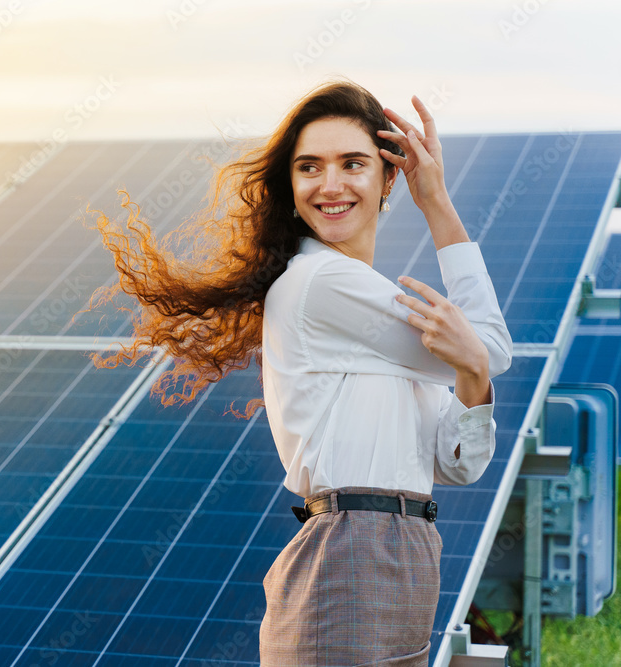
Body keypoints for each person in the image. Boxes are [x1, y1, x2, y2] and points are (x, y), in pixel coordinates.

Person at [84, 79, 512, 666]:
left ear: (389, 178)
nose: (330, 185)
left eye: (353, 164)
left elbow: (456, 461)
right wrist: (436, 201)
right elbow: (494, 346)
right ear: (290, 186)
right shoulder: (320, 284)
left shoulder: (372, 318)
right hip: (351, 559)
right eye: (309, 167)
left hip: (405, 556)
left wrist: (472, 373)